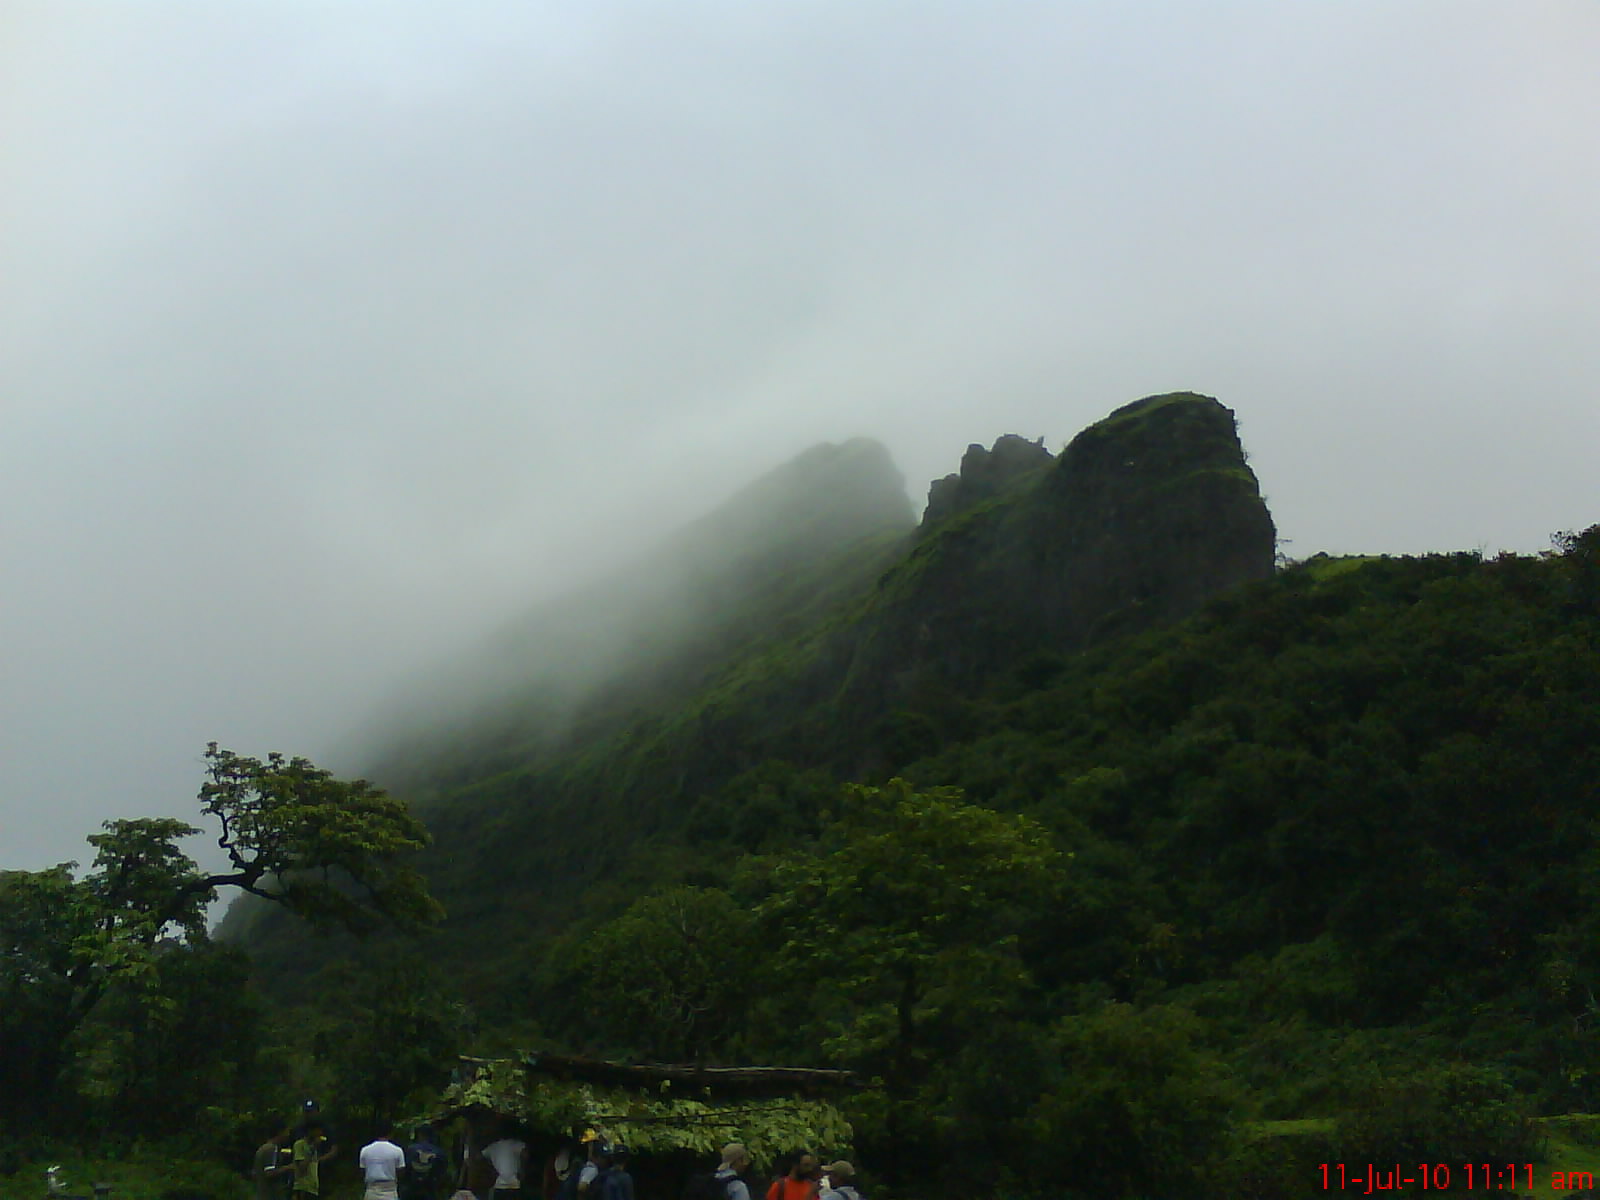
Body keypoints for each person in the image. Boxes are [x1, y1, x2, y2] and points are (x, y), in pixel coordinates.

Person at [360, 1124, 408, 1200]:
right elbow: (401, 1171)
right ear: (391, 1133)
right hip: (390, 1190)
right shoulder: (397, 1150)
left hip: (371, 1189)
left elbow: (362, 1170)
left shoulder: (365, 1150)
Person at [482, 1123, 530, 1200]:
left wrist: (491, 1170)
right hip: (514, 1183)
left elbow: (481, 1157)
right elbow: (525, 1153)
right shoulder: (515, 1143)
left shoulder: (493, 1146)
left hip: (500, 1183)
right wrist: (522, 1170)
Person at [405, 1125, 449, 1200]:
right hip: (431, 1189)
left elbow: (405, 1169)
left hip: (412, 1189)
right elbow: (443, 1173)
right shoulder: (440, 1152)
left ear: (419, 1134)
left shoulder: (410, 1149)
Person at [253, 1125, 294, 1200]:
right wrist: (288, 1167)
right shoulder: (271, 1149)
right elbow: (269, 1173)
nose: (288, 1135)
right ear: (280, 1132)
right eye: (287, 1132)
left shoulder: (263, 1148)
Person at [292, 1120, 328, 1200]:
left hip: (313, 1189)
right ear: (310, 1131)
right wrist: (313, 1148)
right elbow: (301, 1167)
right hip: (303, 1188)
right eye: (318, 1131)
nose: (320, 1133)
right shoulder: (299, 1144)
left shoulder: (314, 1147)